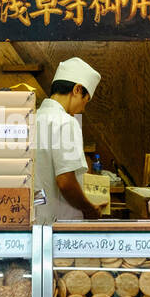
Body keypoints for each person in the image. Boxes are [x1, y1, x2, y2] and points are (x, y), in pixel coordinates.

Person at [34, 57, 103, 223]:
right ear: (77, 89)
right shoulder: (66, 122)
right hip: (59, 225)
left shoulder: (34, 117)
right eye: (85, 101)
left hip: (35, 219)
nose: (83, 109)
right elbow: (65, 182)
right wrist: (89, 208)